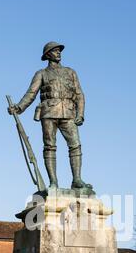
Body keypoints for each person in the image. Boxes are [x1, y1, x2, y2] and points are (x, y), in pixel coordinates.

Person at [8, 42, 93, 191]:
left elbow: (79, 94)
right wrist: (19, 107)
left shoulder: (70, 72)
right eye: (55, 51)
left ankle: (77, 179)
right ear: (47, 55)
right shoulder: (41, 74)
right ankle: (53, 182)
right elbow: (31, 93)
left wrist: (81, 114)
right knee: (50, 147)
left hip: (68, 112)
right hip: (49, 113)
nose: (58, 52)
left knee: (75, 145)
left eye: (59, 50)